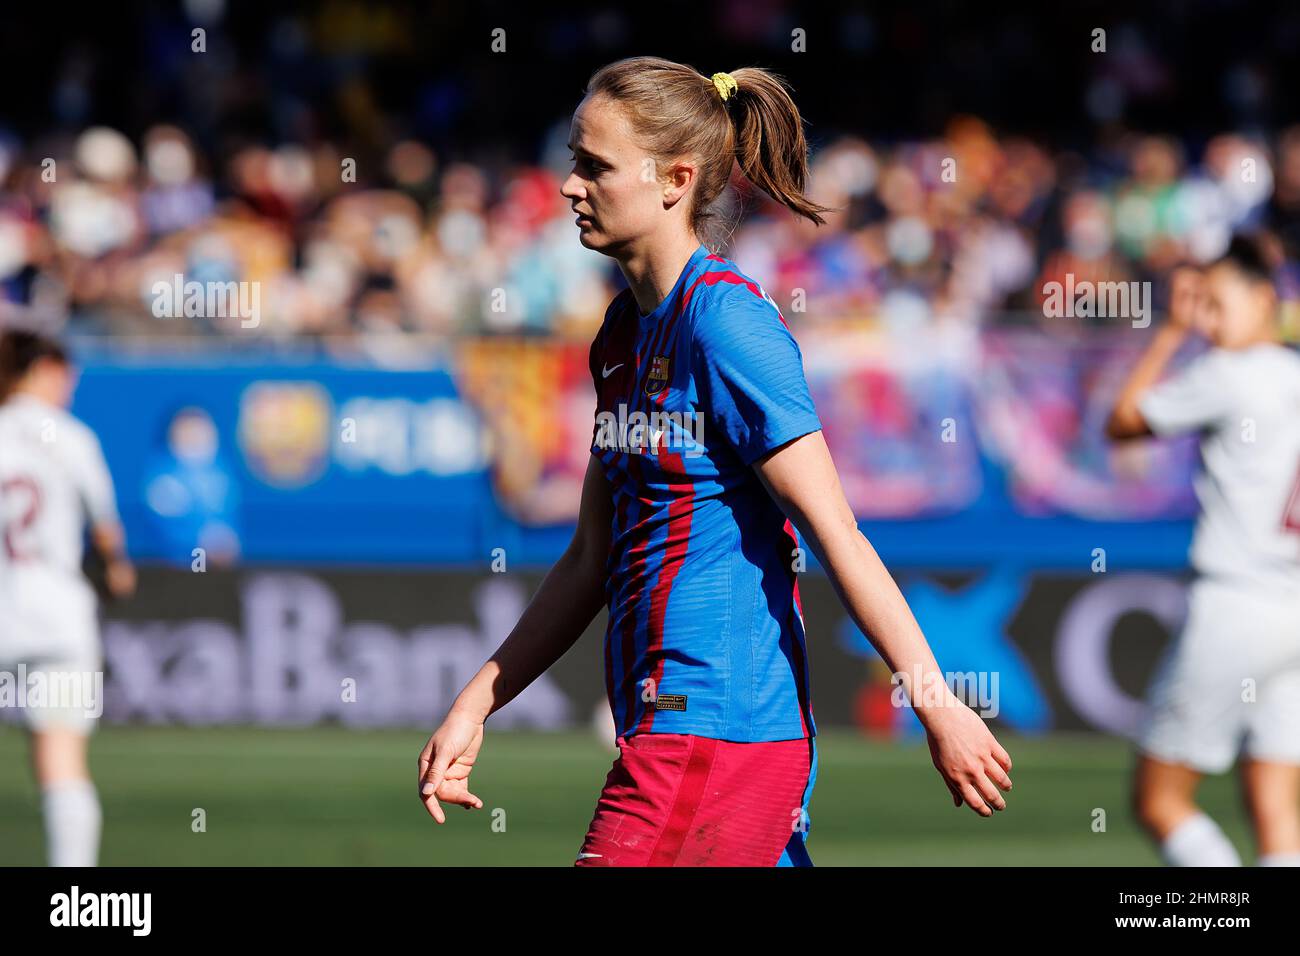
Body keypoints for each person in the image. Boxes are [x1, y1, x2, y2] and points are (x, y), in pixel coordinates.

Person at [418, 57, 1012, 866]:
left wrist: (937, 705)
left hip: (714, 732)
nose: (568, 186)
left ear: (676, 179)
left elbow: (836, 532)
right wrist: (476, 705)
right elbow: (591, 557)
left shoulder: (727, 325)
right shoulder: (621, 338)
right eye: (572, 161)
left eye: (594, 166)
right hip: (685, 732)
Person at [1107, 236, 1300, 866]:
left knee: (1159, 799)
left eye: (1217, 305)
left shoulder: (1229, 374)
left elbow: (1123, 421)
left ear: (1265, 299)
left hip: (1236, 602)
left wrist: (1168, 335)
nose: (1206, 322)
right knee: (1275, 807)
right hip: (1293, 610)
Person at [0, 329, 136, 866]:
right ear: (42, 370)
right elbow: (107, 533)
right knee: (62, 762)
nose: (71, 383)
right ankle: (73, 894)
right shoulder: (72, 437)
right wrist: (118, 572)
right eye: (64, 372)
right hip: (58, 616)